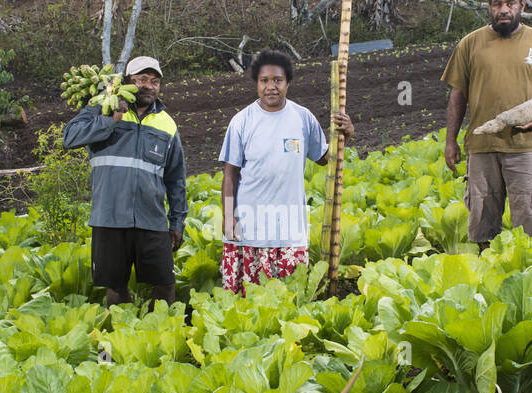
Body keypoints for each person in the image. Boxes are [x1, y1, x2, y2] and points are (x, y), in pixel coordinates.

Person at [442, 0, 532, 247]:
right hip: (482, 148)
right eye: (497, 4)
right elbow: (458, 95)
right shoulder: (470, 45)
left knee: (530, 223)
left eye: (510, 3)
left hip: (524, 147)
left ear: (522, 5)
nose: (503, 10)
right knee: (482, 224)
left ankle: (529, 274)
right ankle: (487, 274)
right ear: (489, 7)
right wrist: (451, 141)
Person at [219, 49, 353, 294]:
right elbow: (230, 174)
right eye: (264, 81)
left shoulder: (303, 118)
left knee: (290, 299)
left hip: (289, 225)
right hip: (251, 226)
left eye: (278, 80)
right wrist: (229, 217)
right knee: (248, 303)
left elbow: (324, 159)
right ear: (257, 84)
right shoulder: (242, 121)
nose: (271, 87)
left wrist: (345, 134)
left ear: (288, 83)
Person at [62, 55, 187, 306]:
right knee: (115, 286)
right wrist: (110, 120)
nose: (149, 86)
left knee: (165, 283)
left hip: (151, 219)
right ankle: (123, 336)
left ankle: (156, 332)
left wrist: (177, 221)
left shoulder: (167, 123)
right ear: (127, 81)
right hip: (110, 217)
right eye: (142, 79)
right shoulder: (102, 108)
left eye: (154, 81)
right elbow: (70, 137)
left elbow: (176, 178)